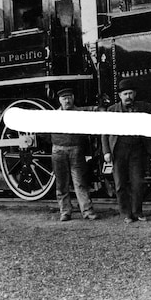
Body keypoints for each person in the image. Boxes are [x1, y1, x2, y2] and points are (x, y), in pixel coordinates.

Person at [102, 78, 151, 224]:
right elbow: (104, 132)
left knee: (138, 183)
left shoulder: (142, 107)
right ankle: (126, 213)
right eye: (125, 94)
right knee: (120, 184)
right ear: (120, 96)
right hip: (119, 150)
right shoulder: (112, 110)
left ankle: (138, 212)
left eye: (130, 93)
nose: (128, 97)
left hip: (137, 150)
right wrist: (106, 151)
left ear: (134, 94)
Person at [51, 87, 98, 222]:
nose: (67, 100)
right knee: (61, 184)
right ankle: (65, 211)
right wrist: (56, 142)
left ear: (73, 98)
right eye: (64, 98)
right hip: (58, 150)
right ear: (59, 100)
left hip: (76, 150)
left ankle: (87, 211)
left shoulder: (80, 113)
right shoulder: (52, 116)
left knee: (80, 182)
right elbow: (44, 133)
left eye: (69, 97)